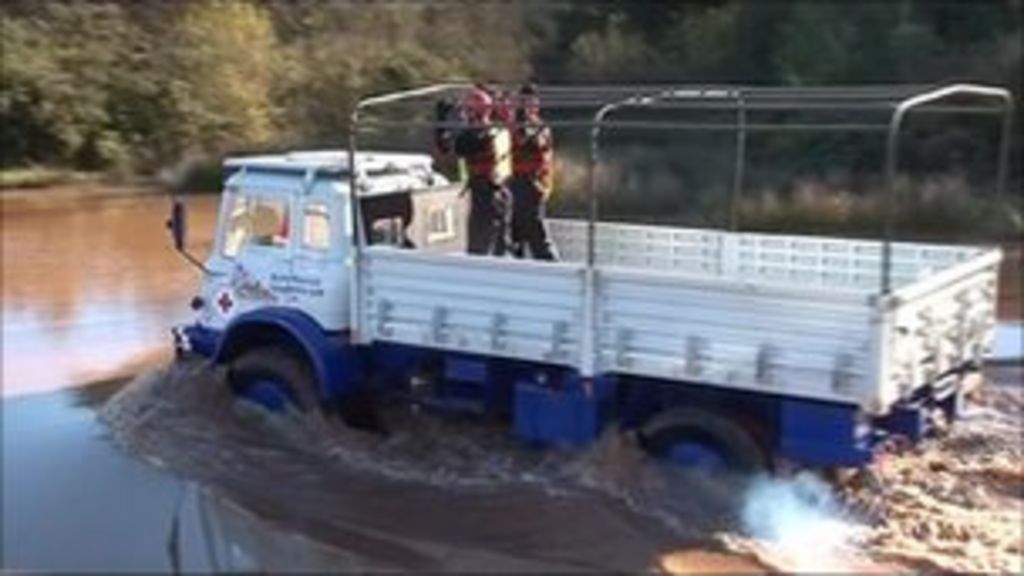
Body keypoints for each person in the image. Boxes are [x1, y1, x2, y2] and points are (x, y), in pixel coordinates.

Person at [453, 86, 512, 256]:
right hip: (501, 191)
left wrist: (448, 122)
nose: (466, 115)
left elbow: (460, 147)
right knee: (500, 244)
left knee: (478, 246)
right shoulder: (499, 131)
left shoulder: (480, 136)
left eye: (469, 110)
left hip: (486, 194)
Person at [508, 83, 557, 260]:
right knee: (520, 231)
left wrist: (546, 183)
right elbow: (520, 140)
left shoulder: (542, 126)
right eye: (525, 103)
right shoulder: (515, 124)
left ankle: (548, 265)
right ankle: (535, 263)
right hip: (519, 181)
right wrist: (521, 120)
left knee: (534, 230)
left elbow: (548, 156)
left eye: (532, 102)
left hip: (537, 183)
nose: (530, 107)